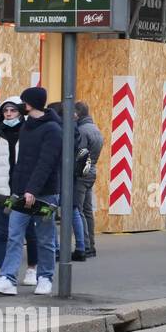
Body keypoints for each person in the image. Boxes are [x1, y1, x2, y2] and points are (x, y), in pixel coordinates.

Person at [0, 87, 60, 296]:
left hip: (44, 193)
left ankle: (45, 277)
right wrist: (17, 191)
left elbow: (46, 164)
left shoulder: (52, 129)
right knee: (14, 235)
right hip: (21, 192)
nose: (20, 106)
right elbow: (21, 163)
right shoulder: (27, 128)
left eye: (24, 102)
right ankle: (8, 279)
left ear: (31, 103)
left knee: (45, 237)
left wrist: (32, 190)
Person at [0, 96, 38, 285]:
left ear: (20, 112)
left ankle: (32, 269)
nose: (9, 114)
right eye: (6, 111)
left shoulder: (29, 132)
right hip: (2, 191)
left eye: (13, 110)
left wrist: (31, 186)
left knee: (29, 232)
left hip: (24, 191)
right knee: (1, 232)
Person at [72, 101, 102, 260]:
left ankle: (85, 245)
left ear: (77, 114)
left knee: (79, 210)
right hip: (92, 171)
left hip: (81, 173)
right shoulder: (95, 129)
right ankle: (91, 246)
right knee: (88, 210)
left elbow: (79, 154)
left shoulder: (81, 131)